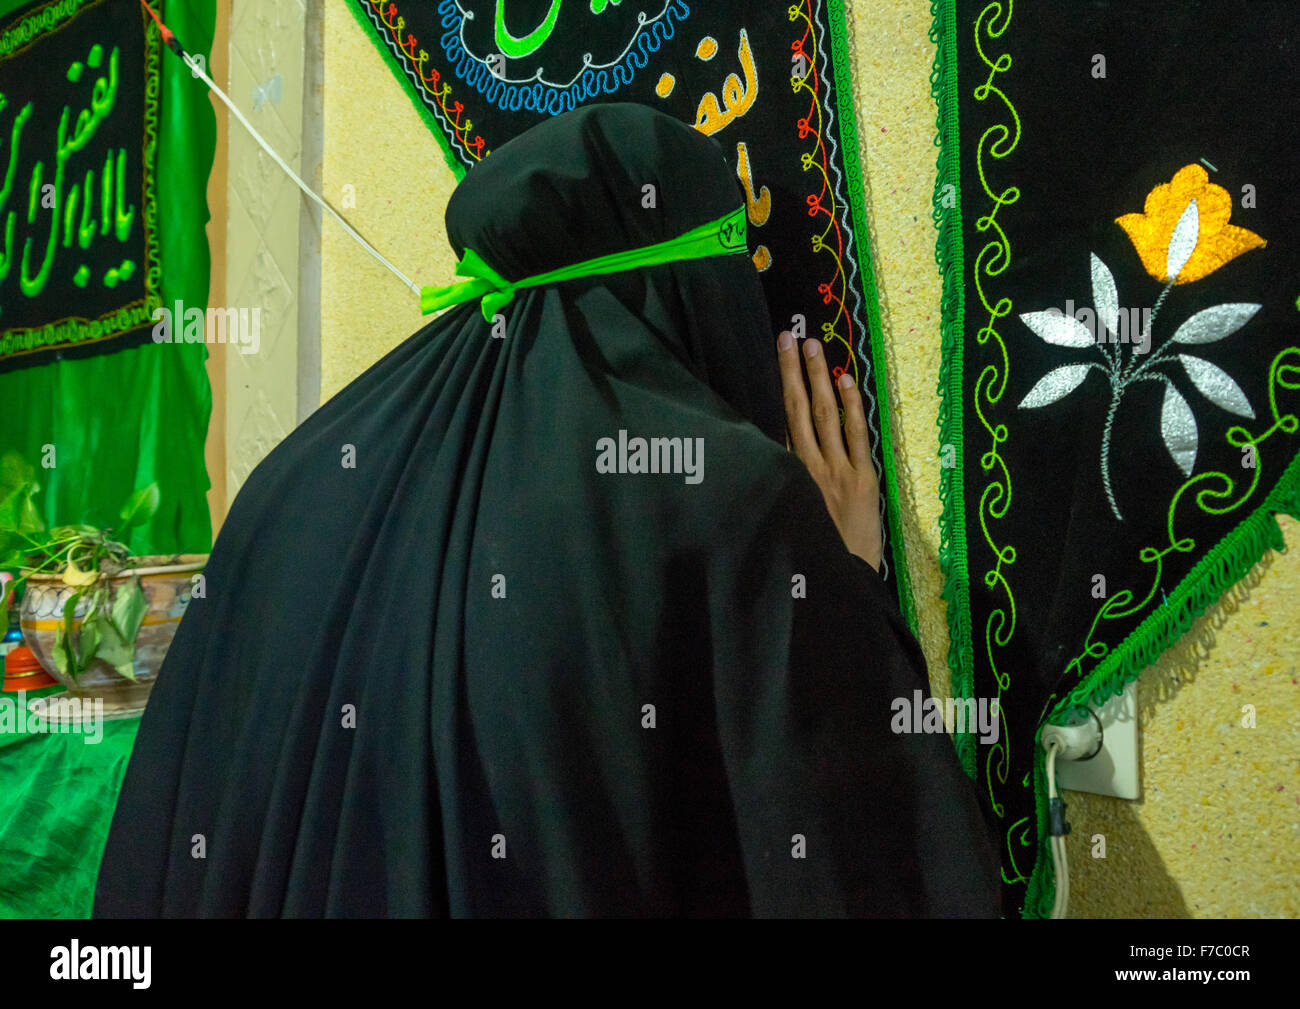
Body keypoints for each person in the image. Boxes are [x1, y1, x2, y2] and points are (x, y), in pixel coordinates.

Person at [94, 102, 999, 917]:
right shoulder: (727, 507)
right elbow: (856, 855)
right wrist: (838, 580)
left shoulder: (293, 478)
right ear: (690, 290)